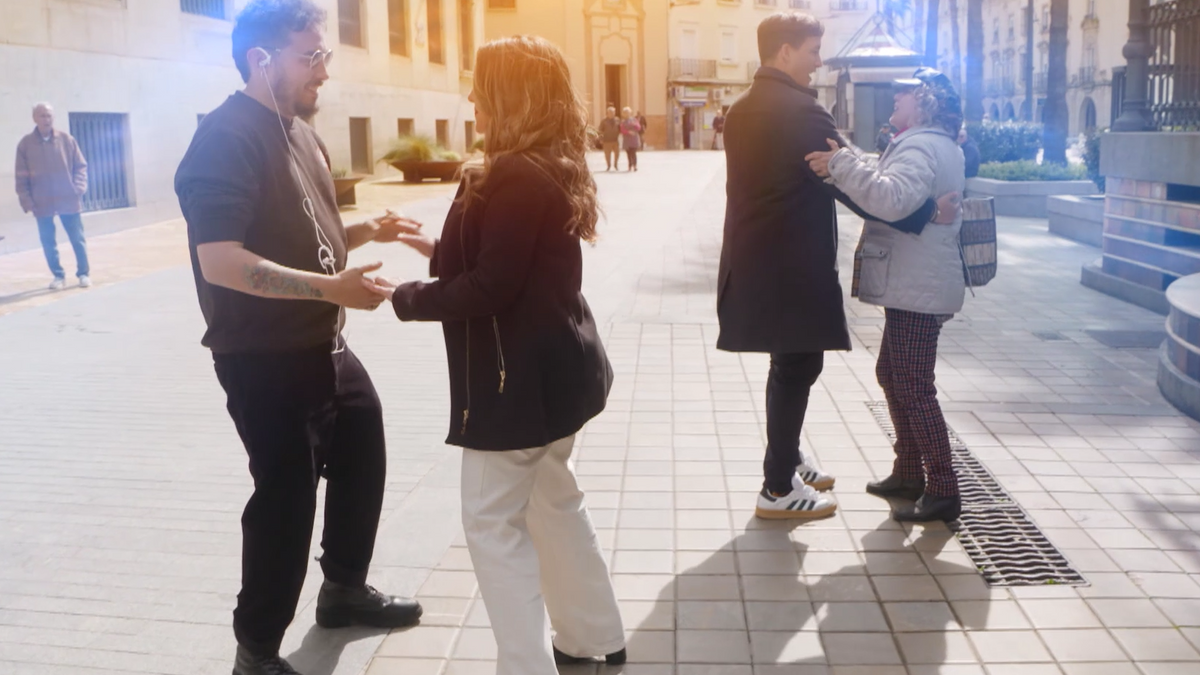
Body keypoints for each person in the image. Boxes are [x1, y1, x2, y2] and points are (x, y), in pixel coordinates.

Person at [363, 35, 625, 675]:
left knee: (491, 525)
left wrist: (403, 296)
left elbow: (491, 287)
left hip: (516, 390)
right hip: (557, 379)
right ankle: (593, 635)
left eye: (482, 85)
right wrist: (434, 250)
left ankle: (530, 664)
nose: (472, 96)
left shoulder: (511, 173)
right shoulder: (545, 164)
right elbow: (511, 265)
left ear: (509, 95)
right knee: (555, 503)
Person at [173, 2, 422, 673]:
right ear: (261, 59)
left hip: (323, 343)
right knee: (285, 501)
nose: (324, 71)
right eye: (310, 57)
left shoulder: (301, 132)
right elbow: (221, 260)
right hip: (263, 357)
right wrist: (330, 289)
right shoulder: (225, 138)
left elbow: (308, 231)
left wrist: (367, 230)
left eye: (325, 55)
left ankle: (342, 590)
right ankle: (255, 650)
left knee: (363, 450)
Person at [719, 12, 957, 520]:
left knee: (788, 364)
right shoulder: (802, 111)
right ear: (785, 51)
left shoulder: (742, 108)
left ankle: (787, 460)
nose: (818, 60)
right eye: (812, 50)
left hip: (755, 257)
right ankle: (777, 487)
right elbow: (850, 185)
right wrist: (923, 213)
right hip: (793, 265)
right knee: (797, 366)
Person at [806, 67, 968, 523]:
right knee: (893, 374)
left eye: (906, 93)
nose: (896, 96)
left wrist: (840, 164)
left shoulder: (921, 146)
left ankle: (943, 487)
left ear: (925, 104)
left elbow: (891, 199)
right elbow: (889, 181)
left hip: (918, 284)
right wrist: (848, 159)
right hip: (915, 281)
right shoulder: (929, 143)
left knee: (912, 385)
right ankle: (909, 472)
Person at [15, 102, 90, 290]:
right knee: (48, 242)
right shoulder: (26, 145)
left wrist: (78, 188)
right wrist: (26, 200)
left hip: (68, 199)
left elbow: (80, 166)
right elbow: (21, 176)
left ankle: (83, 273)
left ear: (53, 117)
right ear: (34, 118)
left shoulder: (66, 140)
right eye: (42, 116)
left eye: (49, 115)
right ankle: (58, 275)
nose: (46, 119)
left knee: (77, 238)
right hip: (42, 201)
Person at [598, 105, 621, 171]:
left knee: (617, 153)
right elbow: (600, 131)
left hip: (615, 140)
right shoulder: (604, 121)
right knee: (607, 154)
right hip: (606, 140)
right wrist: (601, 139)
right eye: (610, 112)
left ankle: (615, 165)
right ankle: (608, 165)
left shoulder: (617, 120)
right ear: (607, 113)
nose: (612, 114)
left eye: (613, 112)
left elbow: (620, 128)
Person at [620, 106, 642, 171]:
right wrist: (628, 132)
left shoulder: (634, 120)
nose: (626, 114)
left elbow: (639, 127)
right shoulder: (623, 121)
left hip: (634, 139)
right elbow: (622, 130)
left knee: (633, 153)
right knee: (628, 154)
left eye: (628, 112)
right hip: (627, 140)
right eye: (625, 112)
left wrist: (635, 125)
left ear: (630, 113)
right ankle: (630, 165)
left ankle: (635, 166)